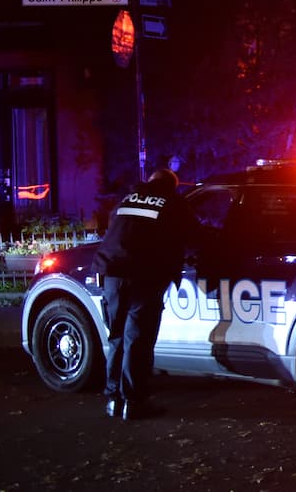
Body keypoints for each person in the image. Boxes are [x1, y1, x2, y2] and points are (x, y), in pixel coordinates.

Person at [95, 167, 198, 421]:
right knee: (138, 339)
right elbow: (193, 235)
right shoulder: (174, 202)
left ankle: (113, 400)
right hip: (145, 275)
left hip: (112, 273)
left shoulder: (127, 199)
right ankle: (134, 401)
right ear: (172, 186)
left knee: (117, 337)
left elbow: (116, 231)